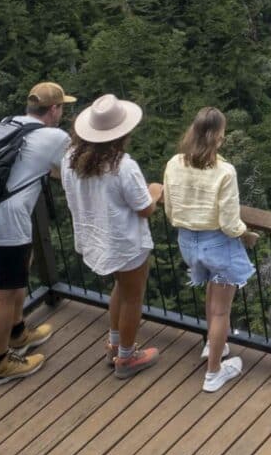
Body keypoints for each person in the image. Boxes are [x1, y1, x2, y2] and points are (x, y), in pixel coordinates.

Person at [0, 82, 74, 387]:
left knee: (19, 273)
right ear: (53, 110)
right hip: (5, 225)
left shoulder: (8, 125)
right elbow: (71, 173)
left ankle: (18, 333)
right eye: (62, 107)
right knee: (3, 293)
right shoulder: (54, 137)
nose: (62, 112)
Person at [61, 93, 162, 378]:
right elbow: (144, 209)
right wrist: (155, 192)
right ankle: (127, 359)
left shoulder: (71, 158)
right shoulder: (122, 166)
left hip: (98, 238)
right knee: (133, 296)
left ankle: (115, 346)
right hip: (124, 242)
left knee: (120, 288)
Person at [162, 107, 257, 393]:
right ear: (217, 135)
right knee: (221, 311)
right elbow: (229, 222)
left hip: (187, 242)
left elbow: (169, 208)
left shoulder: (174, 163)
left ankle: (212, 346)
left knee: (212, 298)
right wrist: (246, 234)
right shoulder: (225, 171)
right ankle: (214, 372)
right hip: (217, 243)